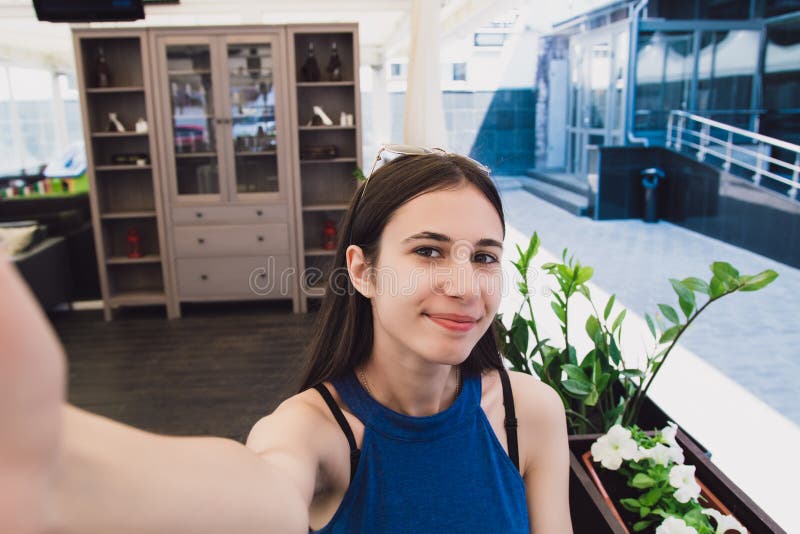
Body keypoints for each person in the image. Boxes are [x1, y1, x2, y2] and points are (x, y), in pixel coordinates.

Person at [0, 146, 572, 533]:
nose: (464, 284)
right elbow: (265, 493)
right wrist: (54, 463)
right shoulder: (311, 432)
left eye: (484, 257)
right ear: (363, 270)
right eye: (428, 251)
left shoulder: (531, 413)